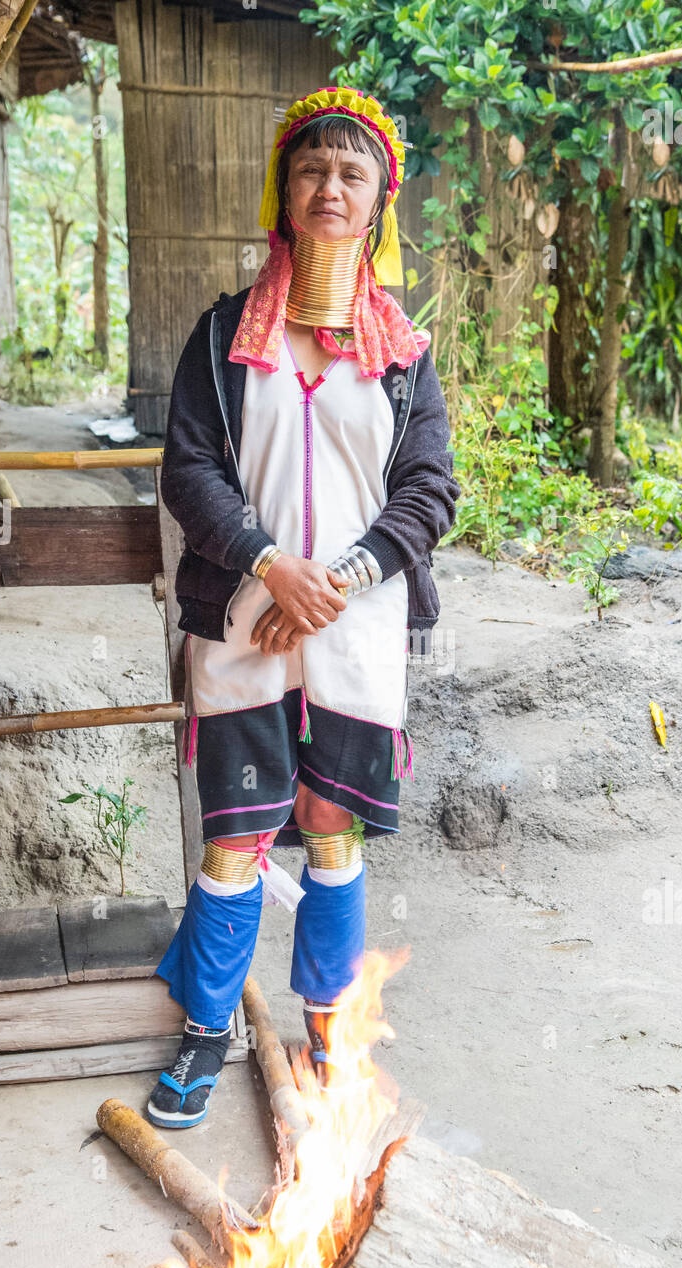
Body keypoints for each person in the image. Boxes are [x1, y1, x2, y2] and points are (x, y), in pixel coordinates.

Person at [148, 87, 459, 1128]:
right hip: (244, 621)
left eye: (351, 174)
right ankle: (205, 1031)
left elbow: (428, 492)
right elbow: (189, 471)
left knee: (333, 828)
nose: (330, 188)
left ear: (378, 205)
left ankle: (328, 1025)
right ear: (284, 195)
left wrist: (337, 583)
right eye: (311, 170)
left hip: (357, 634)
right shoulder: (223, 336)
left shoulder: (405, 356)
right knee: (233, 836)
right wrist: (273, 565)